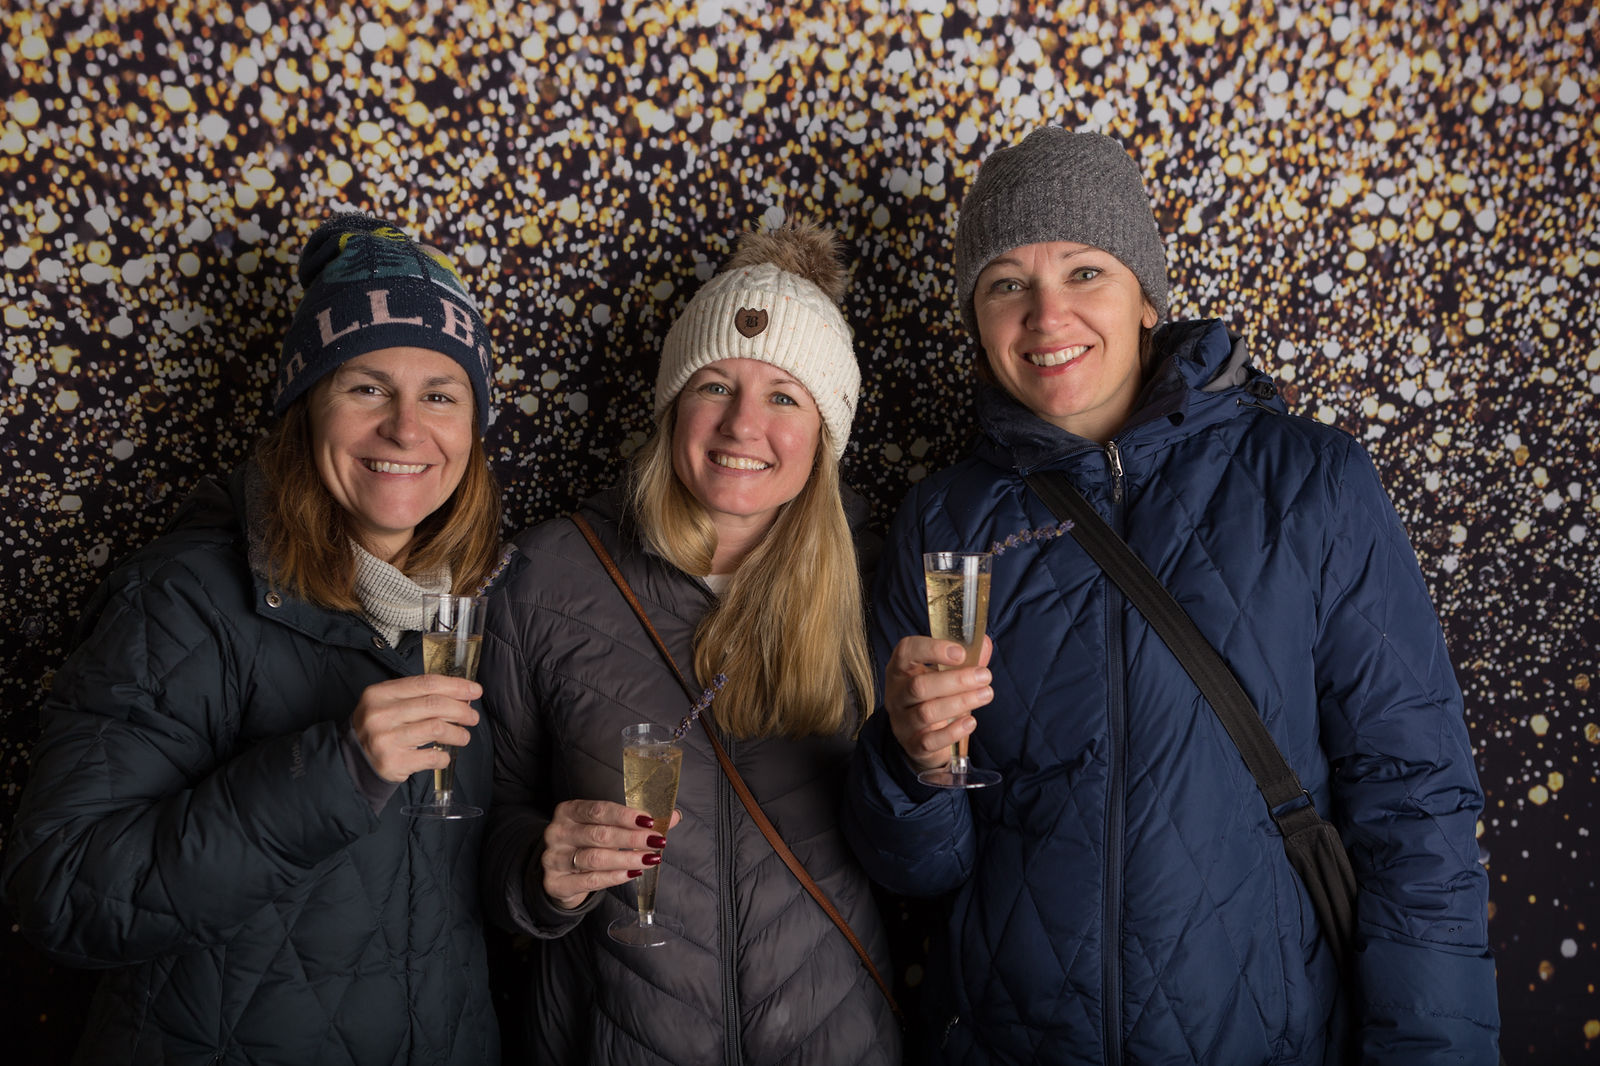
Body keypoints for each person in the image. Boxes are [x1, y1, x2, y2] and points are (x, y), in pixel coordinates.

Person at [841, 128, 1501, 1064]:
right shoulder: (943, 521)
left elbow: (1415, 807)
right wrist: (912, 764)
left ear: (1147, 297)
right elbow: (919, 870)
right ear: (977, 321)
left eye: (1085, 272)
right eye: (1005, 285)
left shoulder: (1311, 482)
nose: (1046, 316)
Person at [2, 213, 505, 1065]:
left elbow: (445, 886)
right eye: (366, 387)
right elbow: (59, 892)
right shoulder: (182, 598)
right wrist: (334, 774)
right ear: (306, 409)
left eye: (441, 394)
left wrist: (542, 878)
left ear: (473, 427)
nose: (405, 427)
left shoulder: (474, 604)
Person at [481, 219, 901, 1063]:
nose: (742, 424)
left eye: (784, 396)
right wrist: (538, 869)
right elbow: (474, 827)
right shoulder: (546, 577)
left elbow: (928, 854)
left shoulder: (880, 579)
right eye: (715, 385)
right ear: (674, 408)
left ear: (826, 432)